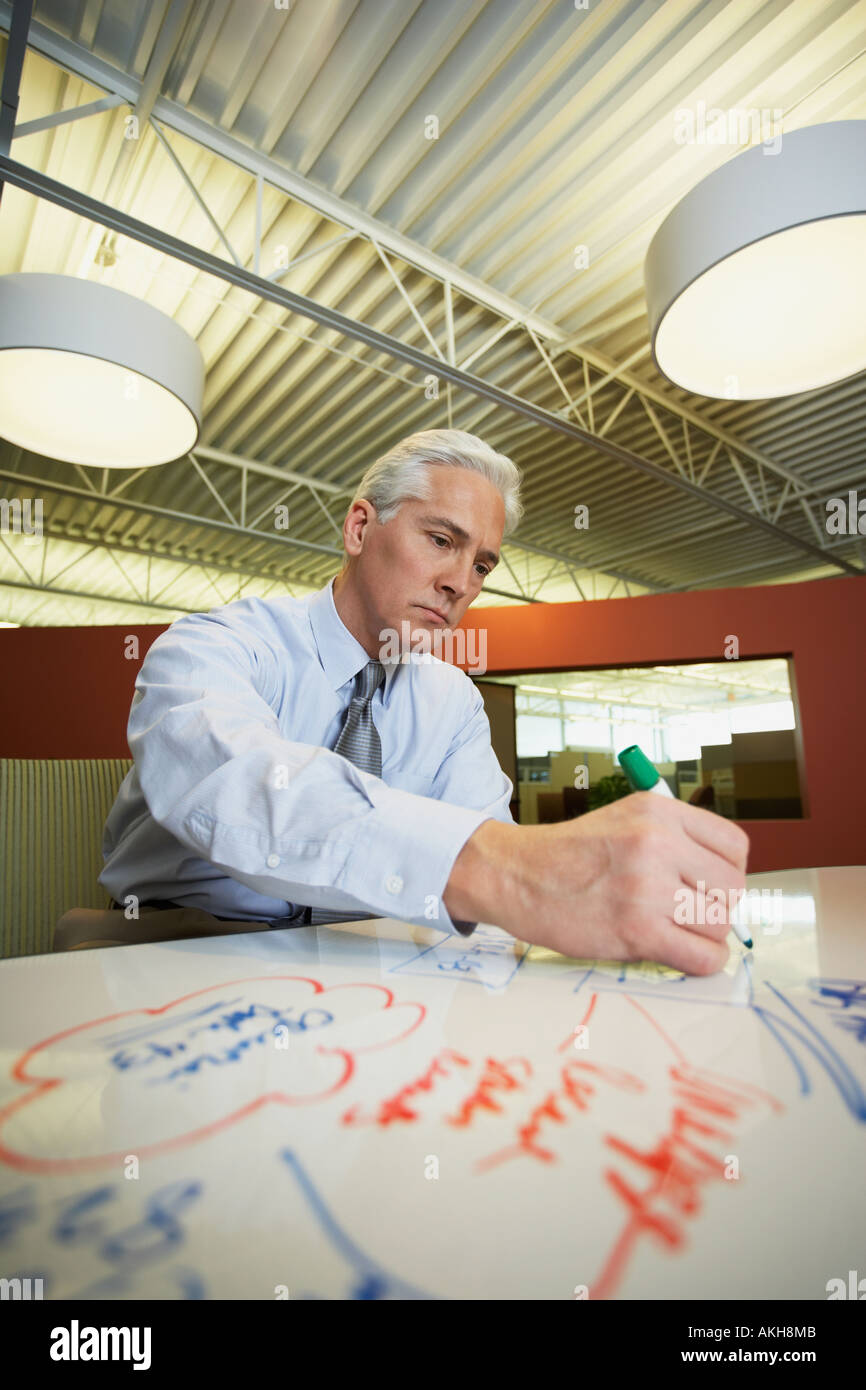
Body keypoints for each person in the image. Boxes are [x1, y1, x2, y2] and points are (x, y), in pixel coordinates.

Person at [100, 428, 748, 975]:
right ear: (360, 528)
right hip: (182, 952)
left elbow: (485, 843)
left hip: (366, 960)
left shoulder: (453, 702)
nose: (459, 584)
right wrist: (520, 875)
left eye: (483, 565)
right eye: (441, 540)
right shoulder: (217, 646)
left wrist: (541, 885)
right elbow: (239, 786)